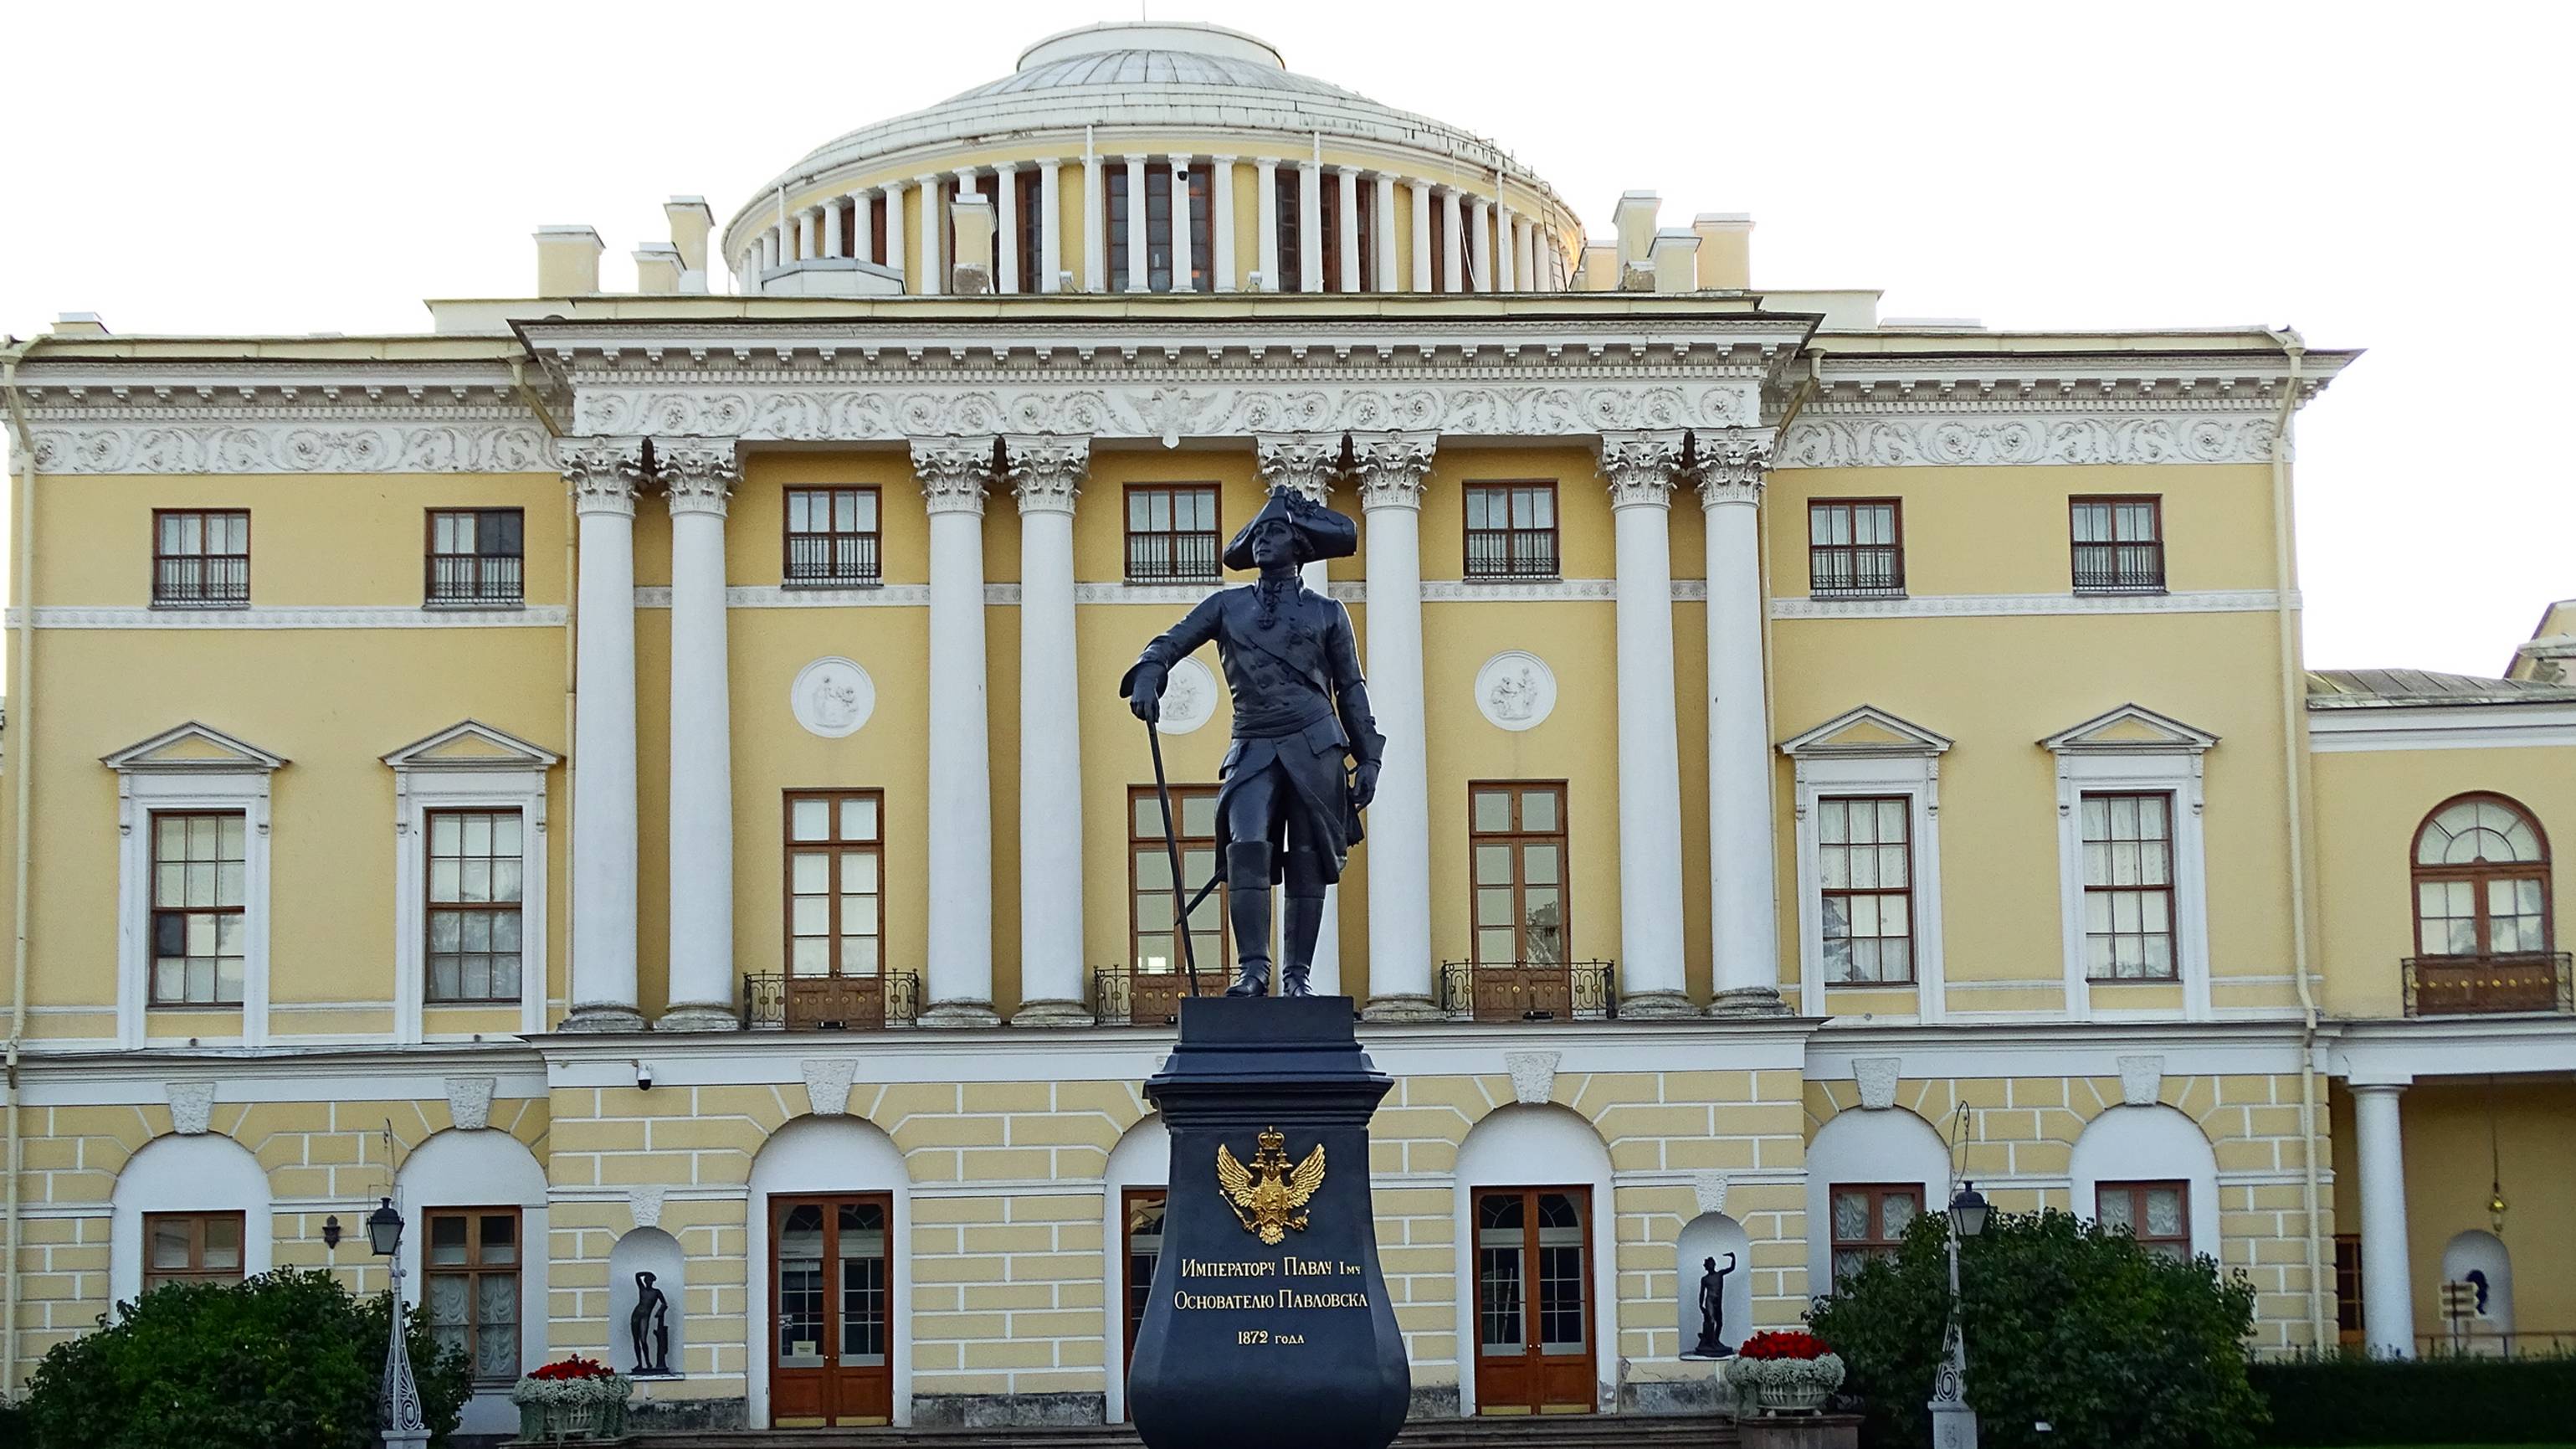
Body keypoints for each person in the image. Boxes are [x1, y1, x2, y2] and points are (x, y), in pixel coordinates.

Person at [1121, 487, 1383, 998]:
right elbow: (1171, 641)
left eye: (1276, 532)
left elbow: (1350, 687)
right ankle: (1254, 970)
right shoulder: (1227, 605)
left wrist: (1368, 754)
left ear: (1300, 547)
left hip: (1314, 742)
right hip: (1254, 743)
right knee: (1246, 847)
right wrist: (1151, 672)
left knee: (1307, 856)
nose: (1264, 541)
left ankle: (1297, 977)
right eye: (1258, 534)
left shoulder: (1328, 614)